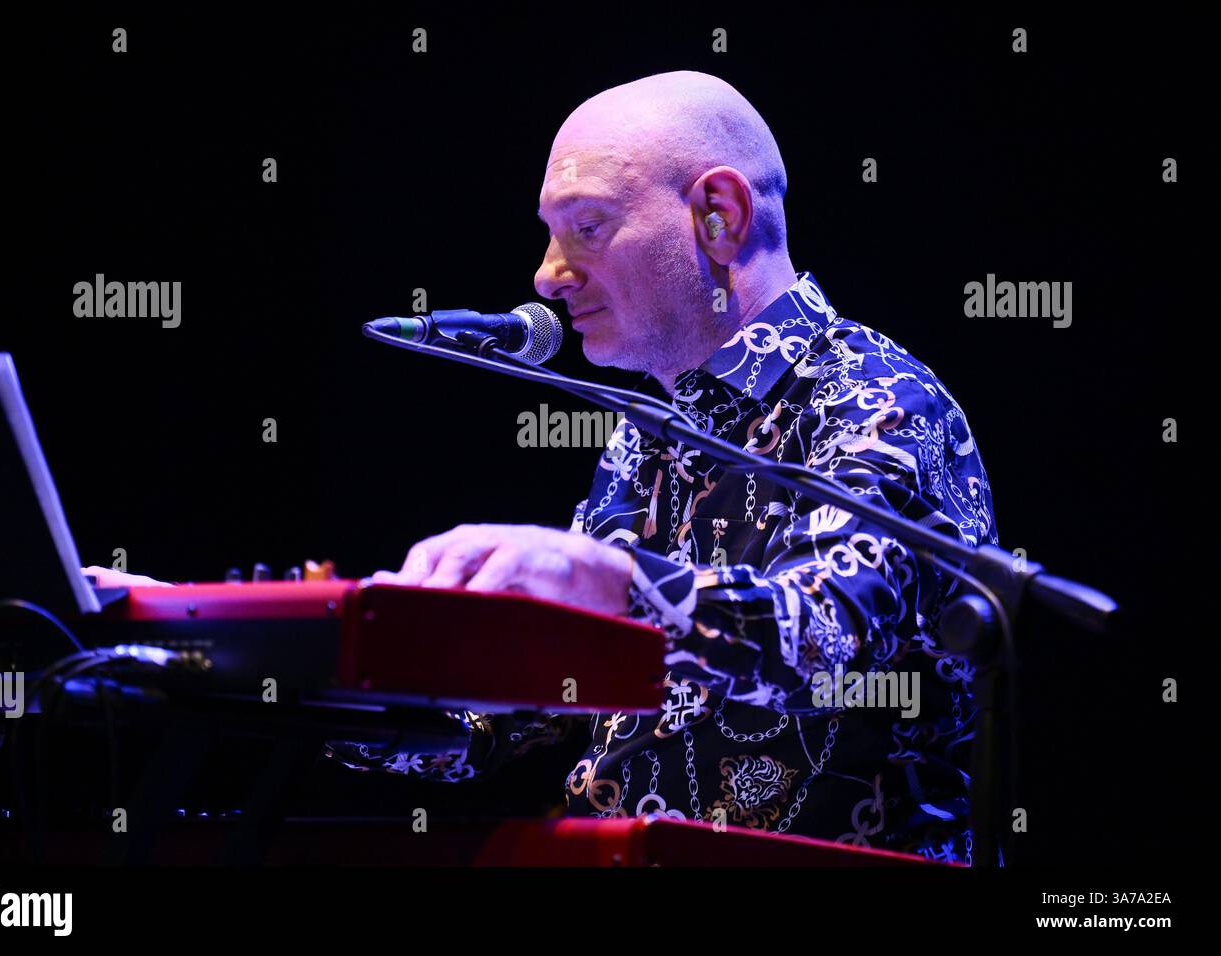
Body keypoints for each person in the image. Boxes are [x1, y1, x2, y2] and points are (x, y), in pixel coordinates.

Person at [343, 71, 998, 863]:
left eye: (587, 226)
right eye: (552, 234)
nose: (547, 275)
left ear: (718, 216)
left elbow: (817, 642)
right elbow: (528, 711)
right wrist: (323, 684)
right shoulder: (649, 434)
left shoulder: (878, 399)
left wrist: (594, 574)